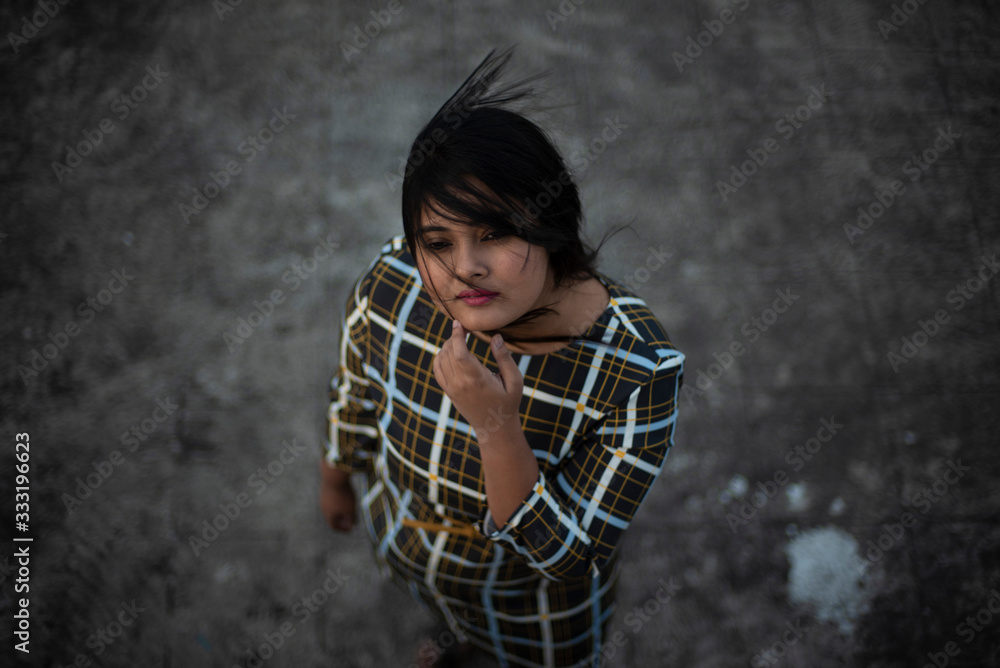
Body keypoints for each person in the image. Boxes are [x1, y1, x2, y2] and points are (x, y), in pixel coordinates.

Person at [320, 47, 684, 668]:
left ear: (551, 222)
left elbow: (565, 557)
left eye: (494, 233)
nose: (465, 267)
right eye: (438, 243)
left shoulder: (636, 374)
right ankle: (457, 642)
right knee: (449, 630)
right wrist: (336, 475)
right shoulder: (392, 286)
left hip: (535, 608)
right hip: (412, 549)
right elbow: (356, 392)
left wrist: (497, 427)